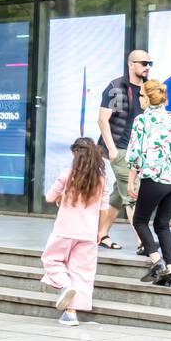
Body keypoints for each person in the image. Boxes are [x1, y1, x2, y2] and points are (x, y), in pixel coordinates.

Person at [126, 79, 171, 288]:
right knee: (162, 224)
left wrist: (131, 180)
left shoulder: (142, 120)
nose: (140, 100)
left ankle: (157, 262)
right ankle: (170, 274)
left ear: (147, 98)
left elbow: (133, 154)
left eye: (141, 96)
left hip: (154, 178)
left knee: (140, 220)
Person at [42, 138, 110, 326]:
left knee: (52, 260)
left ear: (76, 156)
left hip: (65, 230)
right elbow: (104, 209)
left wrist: (62, 196)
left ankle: (65, 286)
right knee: (82, 273)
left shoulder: (67, 174)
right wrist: (100, 231)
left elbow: (49, 197)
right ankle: (71, 313)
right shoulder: (101, 179)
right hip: (89, 233)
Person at [97, 49, 152, 252]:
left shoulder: (148, 88)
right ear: (131, 64)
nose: (147, 67)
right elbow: (103, 120)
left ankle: (102, 234)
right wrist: (111, 149)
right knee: (132, 194)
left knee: (119, 196)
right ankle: (143, 242)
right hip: (120, 149)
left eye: (149, 63)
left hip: (138, 152)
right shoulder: (117, 88)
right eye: (143, 63)